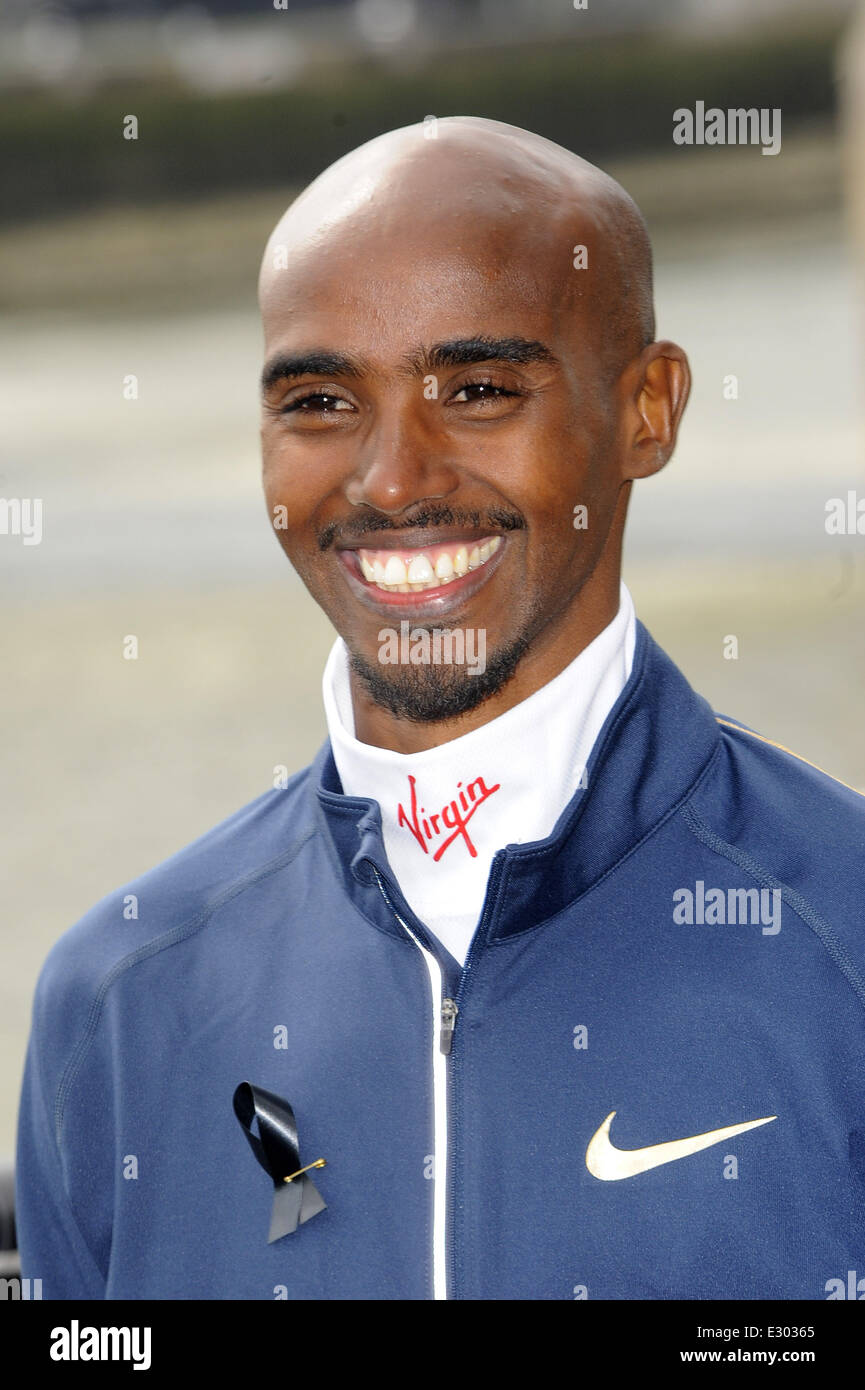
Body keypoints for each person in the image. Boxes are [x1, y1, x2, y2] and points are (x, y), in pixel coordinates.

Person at [16, 118, 865, 1301]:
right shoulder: (116, 998)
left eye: (475, 389)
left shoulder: (843, 931)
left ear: (647, 411)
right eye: (319, 401)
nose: (393, 480)